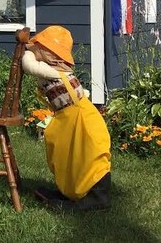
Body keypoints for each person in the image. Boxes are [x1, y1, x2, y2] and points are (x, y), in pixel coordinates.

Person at [21, 25, 111, 211]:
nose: (33, 49)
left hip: (83, 117)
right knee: (67, 153)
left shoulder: (50, 71)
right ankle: (71, 191)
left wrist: (27, 50)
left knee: (91, 153)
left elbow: (28, 65)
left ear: (50, 54)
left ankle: (98, 197)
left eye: (38, 47)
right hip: (70, 116)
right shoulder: (52, 69)